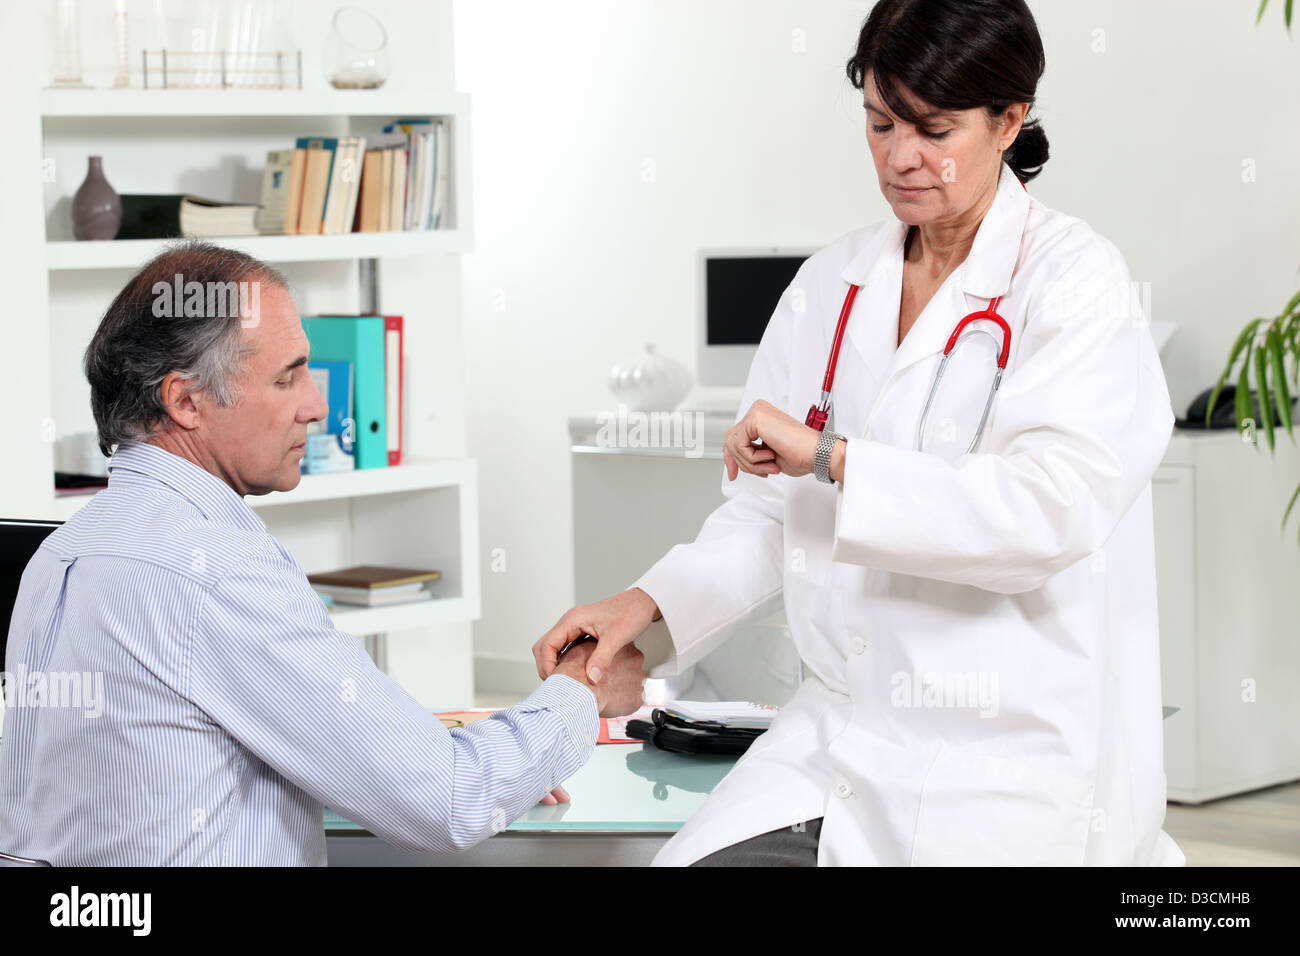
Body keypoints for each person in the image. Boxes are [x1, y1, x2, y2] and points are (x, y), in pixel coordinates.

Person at [534, 0, 1184, 866]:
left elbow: (1049, 512)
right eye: (880, 122)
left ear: (1009, 121)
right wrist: (642, 616)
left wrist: (835, 460)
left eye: (934, 129)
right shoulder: (829, 285)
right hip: (837, 735)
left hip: (1005, 765)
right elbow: (768, 518)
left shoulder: (1077, 282)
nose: (900, 156)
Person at [0, 242, 645, 866]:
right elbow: (446, 800)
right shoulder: (215, 568)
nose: (318, 406)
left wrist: (429, 754)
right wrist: (581, 689)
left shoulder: (61, 554)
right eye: (288, 378)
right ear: (186, 401)